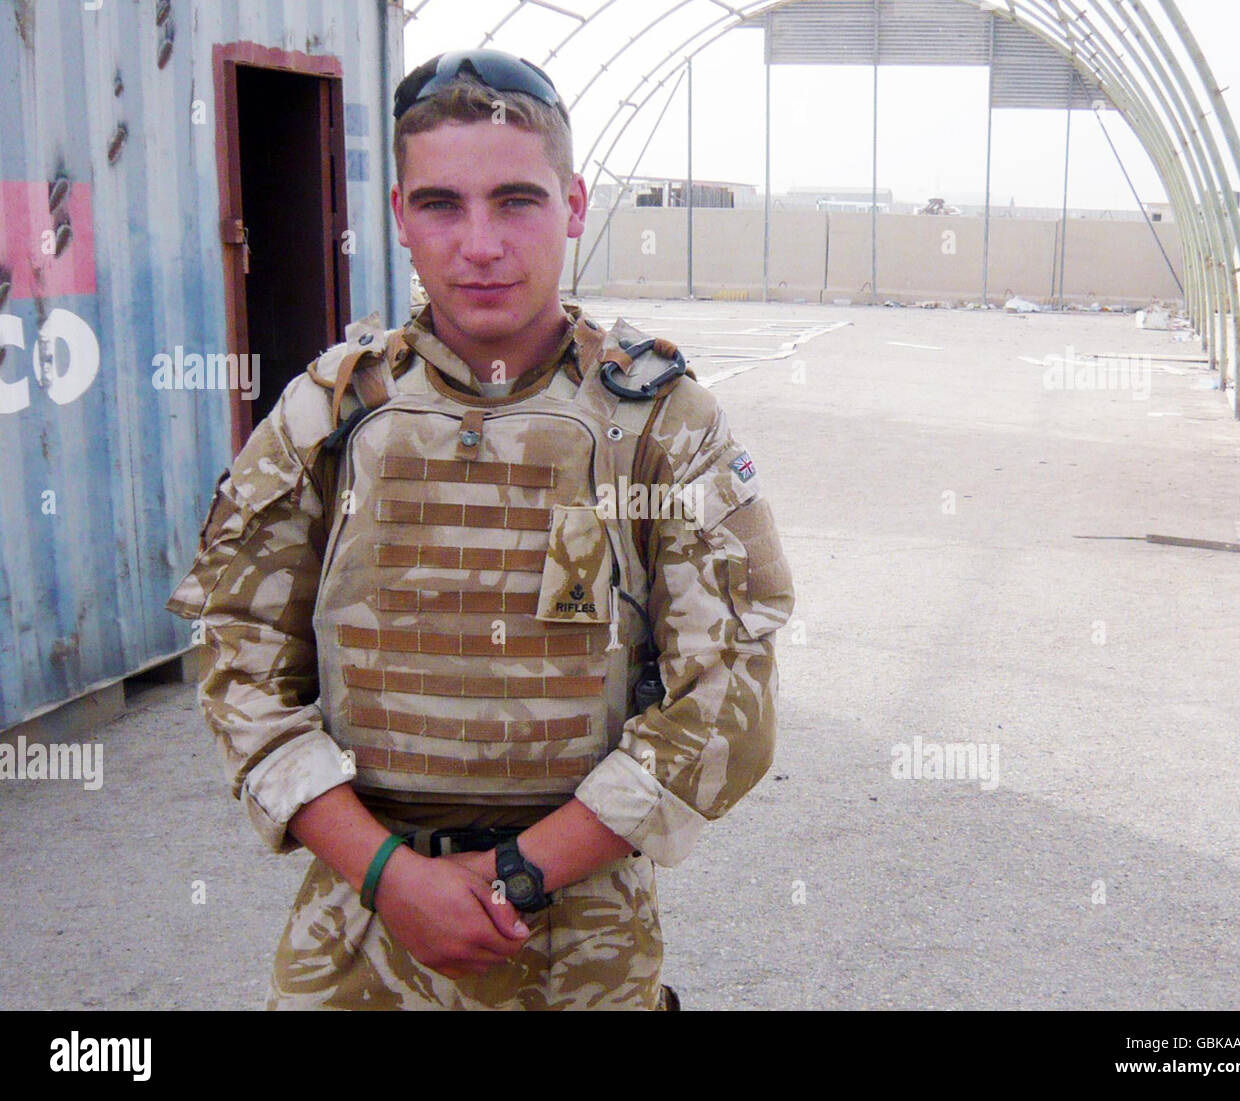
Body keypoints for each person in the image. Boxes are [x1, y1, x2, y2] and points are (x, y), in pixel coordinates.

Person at [167, 48, 794, 1011]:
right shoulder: (325, 417)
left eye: (517, 201)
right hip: (359, 931)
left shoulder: (660, 425)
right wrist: (388, 874)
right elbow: (237, 660)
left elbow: (730, 698)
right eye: (441, 206)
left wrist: (524, 873)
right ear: (400, 221)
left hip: (579, 932)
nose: (481, 245)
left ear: (575, 205)